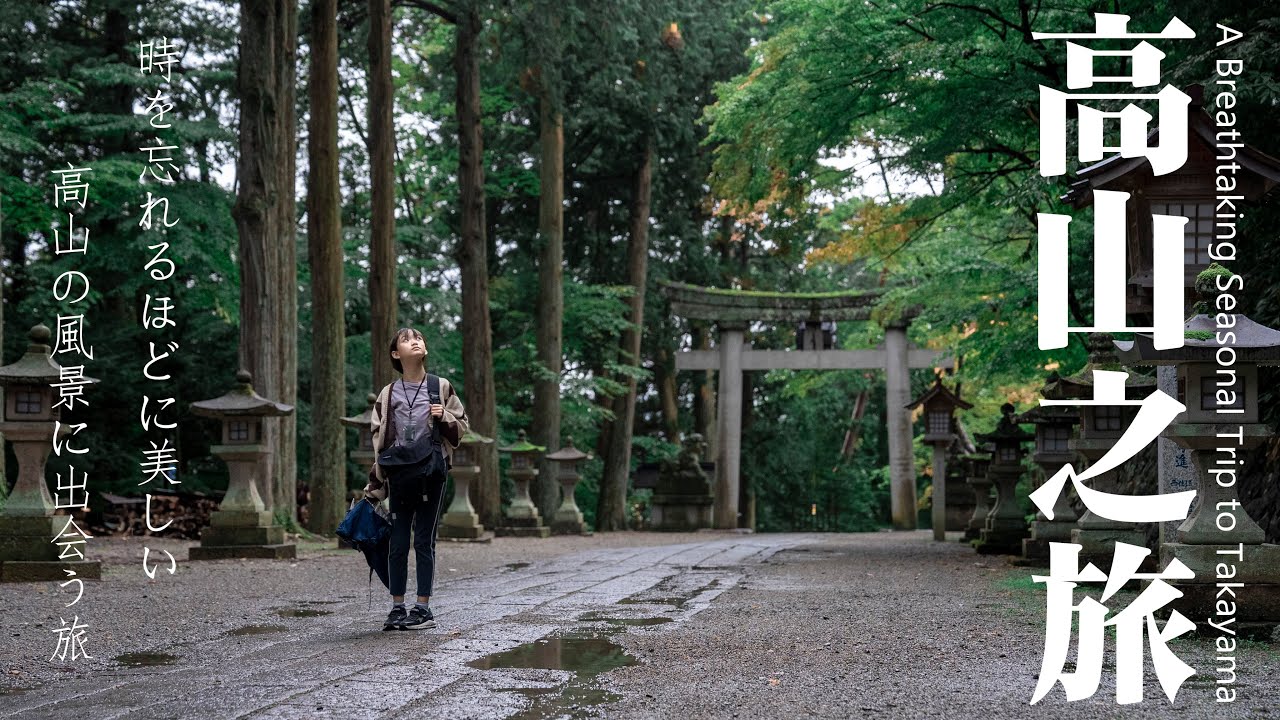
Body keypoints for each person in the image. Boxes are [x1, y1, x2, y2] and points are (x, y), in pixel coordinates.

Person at [363, 328, 469, 630]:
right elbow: (378, 435)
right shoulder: (388, 393)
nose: (416, 341)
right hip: (399, 473)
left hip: (432, 472)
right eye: (408, 339)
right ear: (396, 354)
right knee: (397, 541)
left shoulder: (440, 386)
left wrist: (444, 415)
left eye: (420, 337)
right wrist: (378, 478)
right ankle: (397, 607)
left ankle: (423, 608)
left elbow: (462, 425)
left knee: (424, 539)